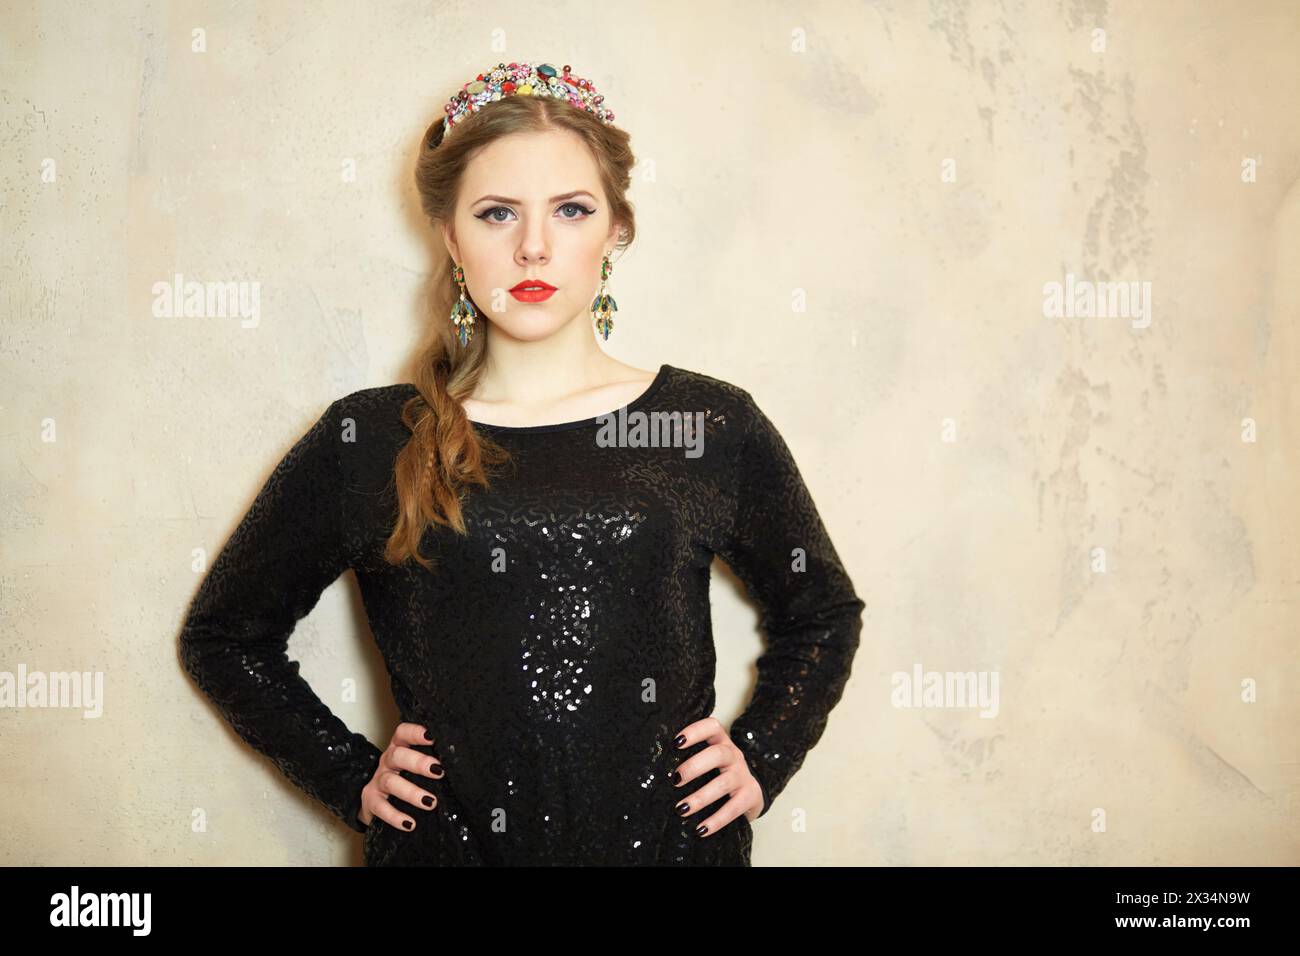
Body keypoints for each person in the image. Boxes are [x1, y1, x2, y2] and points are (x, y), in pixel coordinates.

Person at [179, 61, 865, 866]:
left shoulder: (703, 424)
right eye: (497, 213)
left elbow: (822, 611)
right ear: (450, 235)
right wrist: (348, 776)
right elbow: (224, 635)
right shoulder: (371, 437)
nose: (533, 246)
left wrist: (763, 754)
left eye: (571, 210)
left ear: (615, 230)